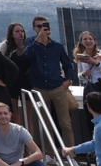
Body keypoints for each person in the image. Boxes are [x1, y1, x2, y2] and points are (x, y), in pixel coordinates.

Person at [24, 17, 75, 148]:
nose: (42, 28)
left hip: (58, 87)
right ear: (34, 28)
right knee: (45, 123)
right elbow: (27, 56)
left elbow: (67, 64)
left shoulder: (57, 46)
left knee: (65, 123)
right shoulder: (31, 42)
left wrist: (68, 80)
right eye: (39, 26)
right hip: (40, 89)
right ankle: (50, 151)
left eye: (44, 26)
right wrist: (38, 40)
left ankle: (70, 153)